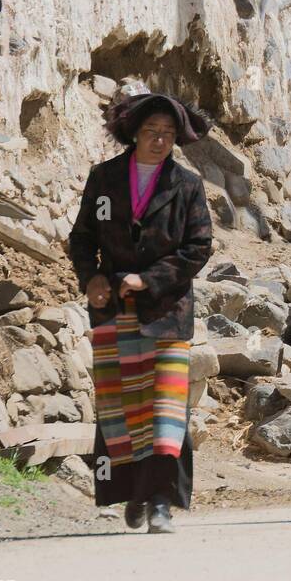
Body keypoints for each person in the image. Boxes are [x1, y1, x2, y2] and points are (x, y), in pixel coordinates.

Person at [68, 89, 213, 534]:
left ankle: (161, 503)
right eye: (151, 131)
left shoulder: (187, 186)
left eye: (168, 133)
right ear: (134, 133)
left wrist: (149, 279)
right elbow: (82, 237)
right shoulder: (104, 178)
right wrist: (91, 278)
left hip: (167, 312)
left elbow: (199, 246)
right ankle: (134, 494)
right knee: (123, 409)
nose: (159, 140)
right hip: (114, 310)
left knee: (166, 409)